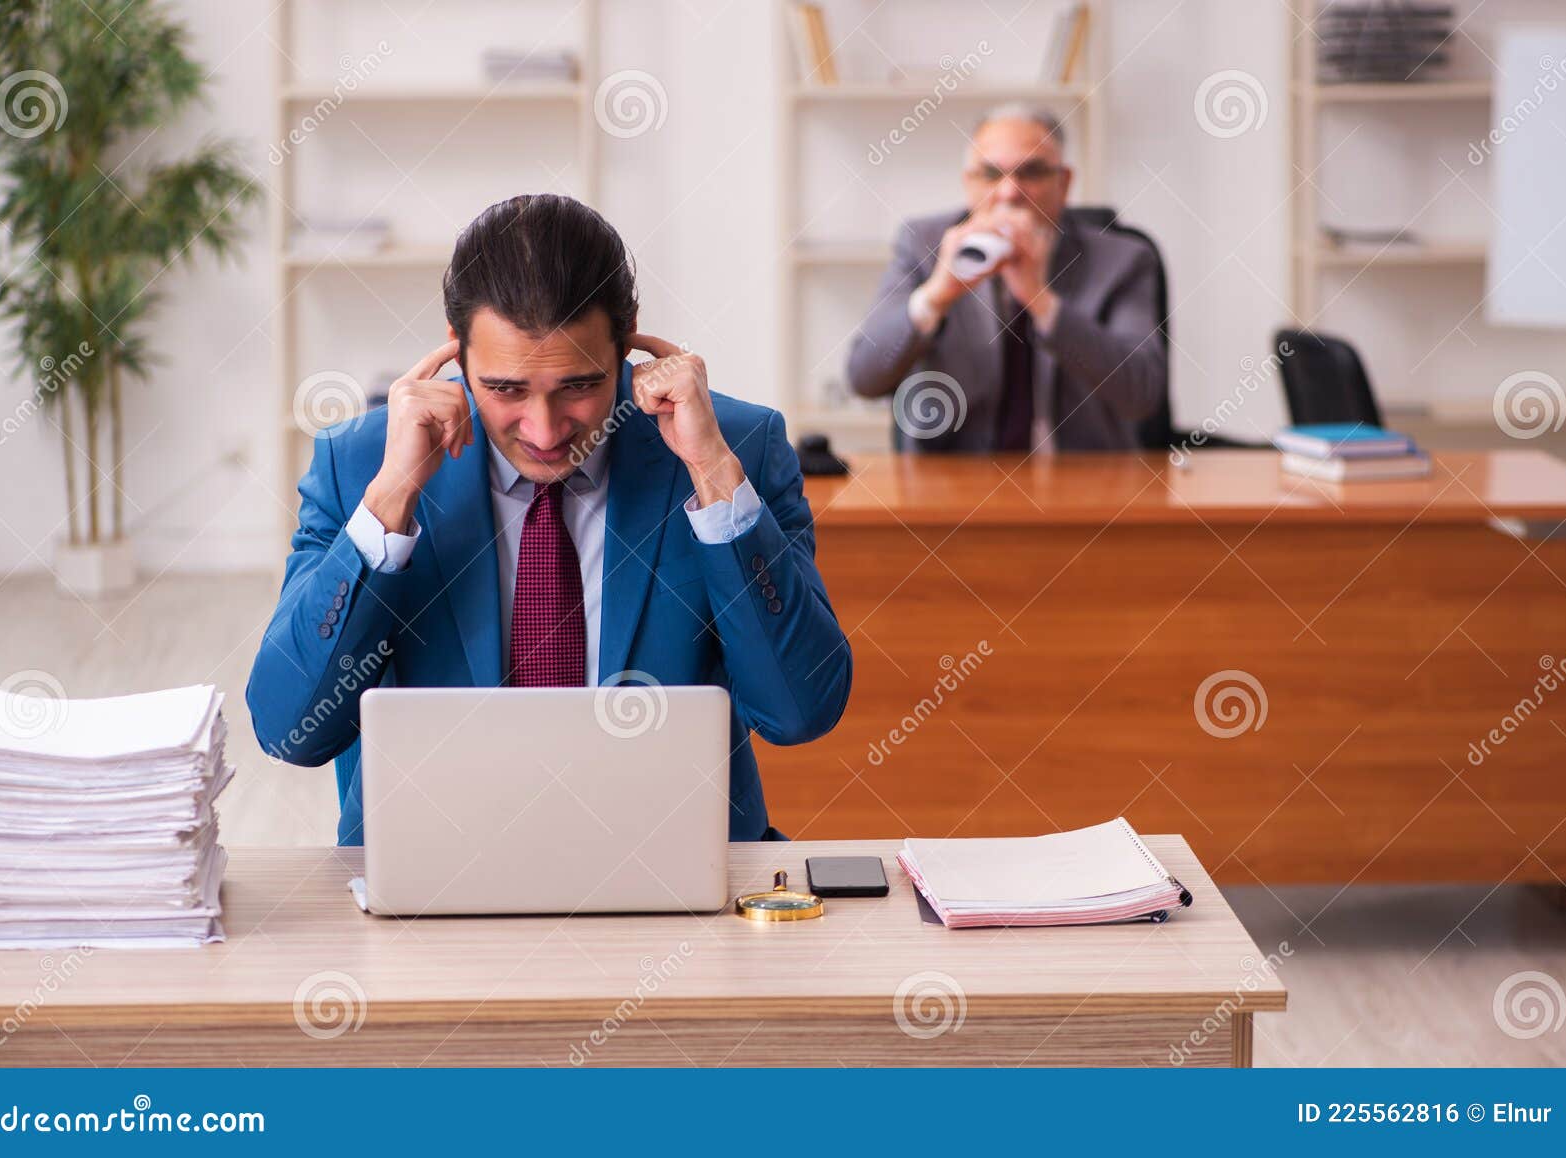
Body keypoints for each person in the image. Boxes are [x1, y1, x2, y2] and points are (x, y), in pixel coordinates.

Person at [248, 194, 852, 845]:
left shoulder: (735, 447)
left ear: (628, 343)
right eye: (506, 389)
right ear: (456, 353)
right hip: (434, 874)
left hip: (675, 874)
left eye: (578, 386)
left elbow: (799, 712)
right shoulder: (362, 462)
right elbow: (290, 730)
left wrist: (713, 475)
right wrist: (392, 496)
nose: (542, 430)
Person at [846, 104, 1167, 452]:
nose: (1010, 192)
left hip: (1082, 487)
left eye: (1032, 171)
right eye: (990, 174)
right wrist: (936, 295)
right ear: (967, 183)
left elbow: (1142, 394)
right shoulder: (923, 244)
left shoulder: (1124, 259)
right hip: (951, 490)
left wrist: (1042, 302)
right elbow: (864, 378)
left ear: (1064, 183)